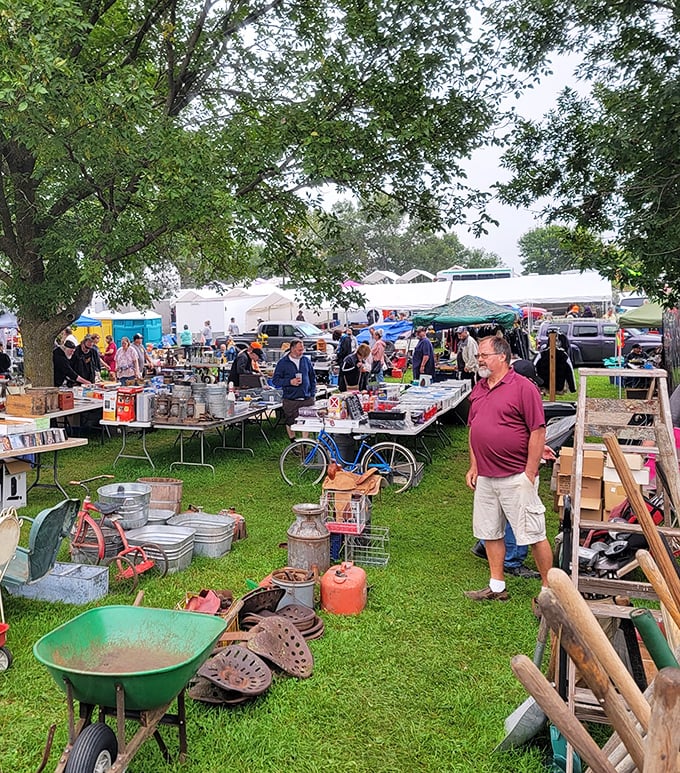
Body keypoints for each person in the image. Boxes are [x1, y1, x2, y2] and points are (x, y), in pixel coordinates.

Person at [464, 335, 554, 602]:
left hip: (516, 475)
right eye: (479, 356)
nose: (479, 359)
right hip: (486, 477)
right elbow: (474, 430)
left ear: (502, 356)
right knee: (489, 531)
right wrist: (474, 465)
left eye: (484, 355)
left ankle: (549, 592)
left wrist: (529, 472)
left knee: (534, 533)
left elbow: (537, 431)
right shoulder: (479, 388)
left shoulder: (523, 388)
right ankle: (497, 586)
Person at [272, 338, 317, 441]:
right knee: (290, 421)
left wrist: (312, 392)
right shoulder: (283, 363)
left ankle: (304, 444)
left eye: (302, 350)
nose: (301, 352)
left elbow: (312, 377)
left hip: (306, 397)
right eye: (299, 350)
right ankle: (293, 442)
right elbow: (275, 381)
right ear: (292, 349)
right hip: (291, 399)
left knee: (307, 422)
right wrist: (289, 382)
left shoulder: (305, 360)